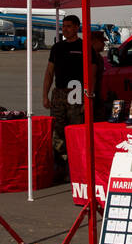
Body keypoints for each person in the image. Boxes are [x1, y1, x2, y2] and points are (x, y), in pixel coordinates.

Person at [42, 15, 102, 174]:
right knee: (58, 132)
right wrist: (45, 95)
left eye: (69, 26)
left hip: (78, 95)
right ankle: (60, 167)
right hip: (59, 94)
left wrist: (89, 99)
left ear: (77, 27)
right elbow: (49, 72)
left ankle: (77, 168)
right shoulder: (57, 48)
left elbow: (92, 74)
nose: (65, 29)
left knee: (76, 131)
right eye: (64, 26)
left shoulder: (85, 47)